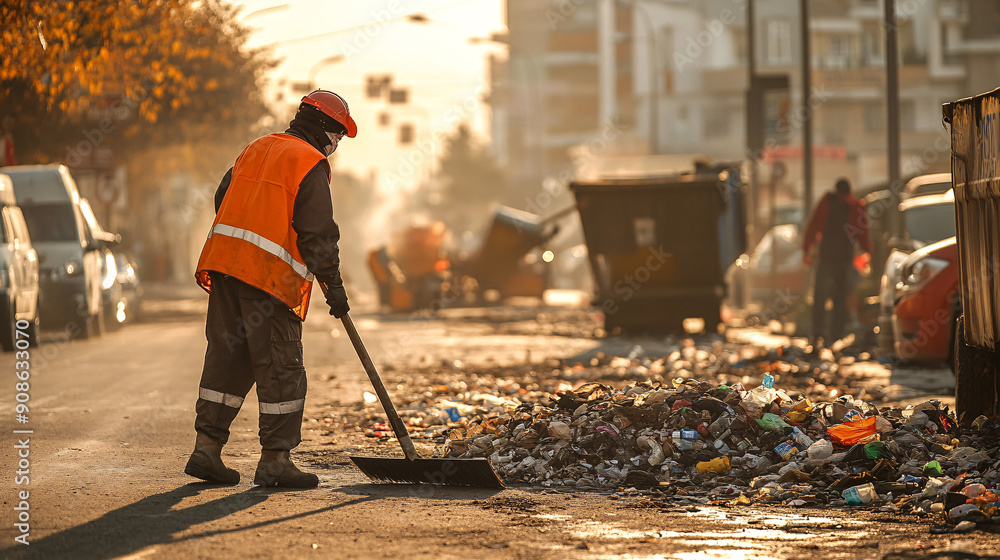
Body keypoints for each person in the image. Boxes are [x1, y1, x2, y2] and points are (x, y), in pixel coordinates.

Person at [185, 90, 357, 488]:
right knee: (281, 367)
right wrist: (335, 287)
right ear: (324, 128)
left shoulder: (257, 147)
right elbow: (318, 235)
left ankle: (206, 450)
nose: (336, 147)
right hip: (269, 280)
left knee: (228, 359)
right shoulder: (308, 163)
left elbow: (222, 197)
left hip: (227, 268)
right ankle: (276, 460)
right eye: (338, 137)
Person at [802, 177, 872, 346]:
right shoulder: (827, 202)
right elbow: (813, 225)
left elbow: (863, 233)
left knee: (840, 299)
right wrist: (807, 249)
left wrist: (868, 253)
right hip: (826, 258)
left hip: (843, 261)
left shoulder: (856, 207)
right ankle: (817, 334)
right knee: (820, 297)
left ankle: (834, 336)